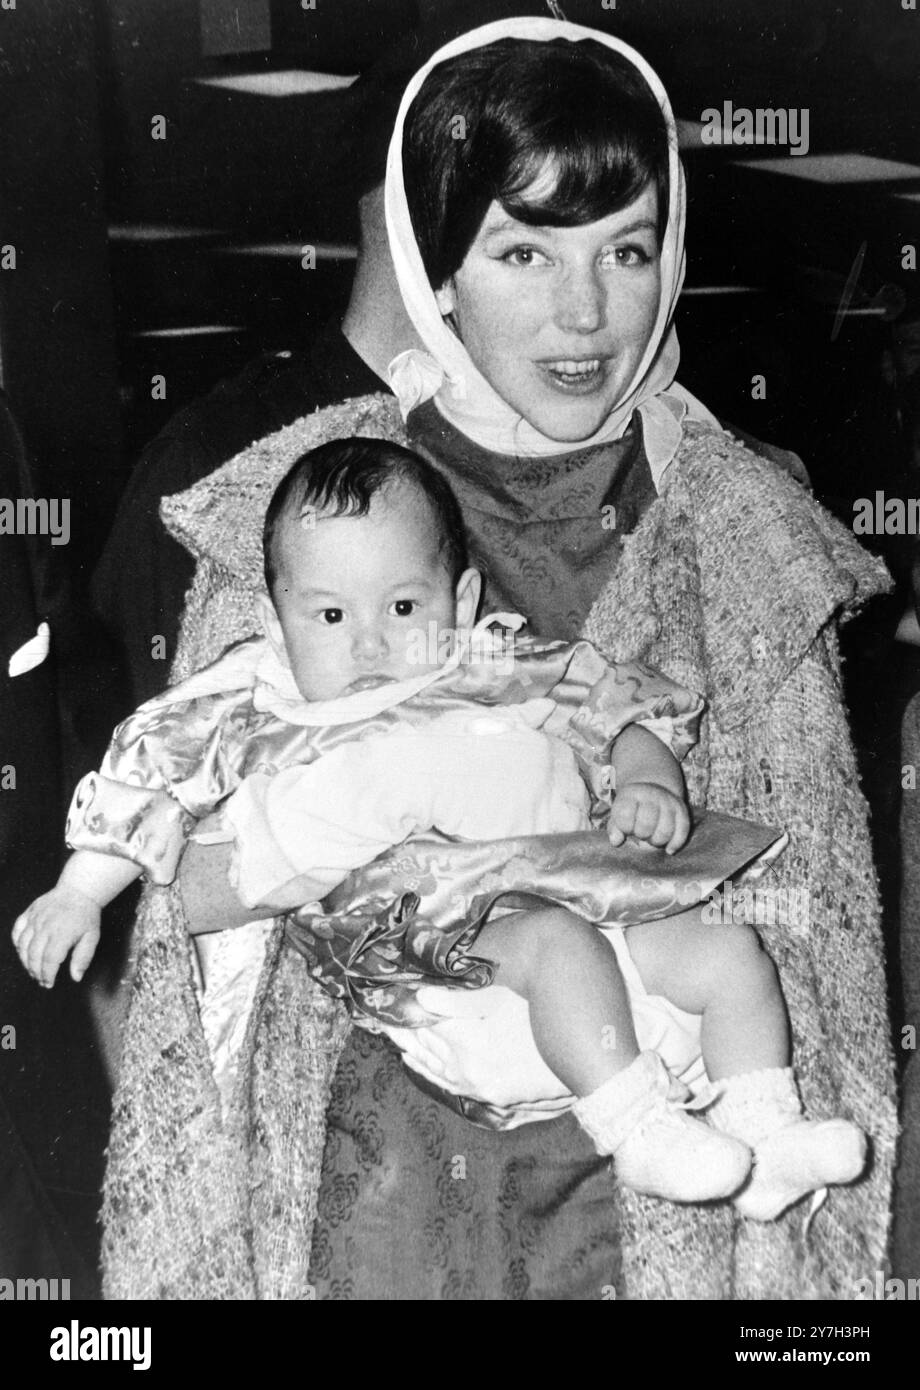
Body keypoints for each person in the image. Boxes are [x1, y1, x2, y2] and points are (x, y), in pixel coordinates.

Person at [96, 17, 894, 1301]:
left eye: (624, 250)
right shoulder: (287, 521)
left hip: (665, 1200)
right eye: (522, 250)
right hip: (367, 1187)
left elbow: (820, 947)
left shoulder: (749, 538)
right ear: (434, 272)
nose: (584, 312)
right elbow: (187, 925)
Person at [18, 437, 868, 1219]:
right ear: (277, 624)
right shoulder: (259, 700)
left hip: (577, 879)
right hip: (423, 941)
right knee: (557, 944)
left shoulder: (485, 661)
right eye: (330, 617)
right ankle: (642, 1133)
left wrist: (646, 773)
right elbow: (149, 769)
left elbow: (608, 692)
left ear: (458, 600)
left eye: (401, 605)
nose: (370, 644)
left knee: (726, 946)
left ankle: (768, 1132)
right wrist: (79, 891)